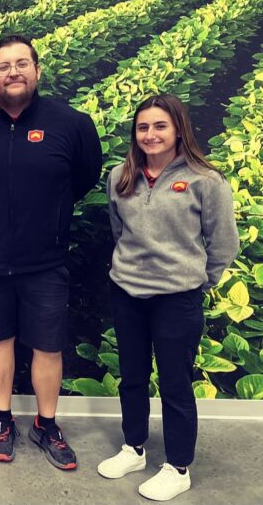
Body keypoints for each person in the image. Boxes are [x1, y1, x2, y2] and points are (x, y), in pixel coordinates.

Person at [0, 34, 101, 470]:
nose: (12, 72)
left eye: (21, 64)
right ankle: (2, 419)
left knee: (48, 347)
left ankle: (46, 423)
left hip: (45, 262)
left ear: (36, 70)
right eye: (3, 66)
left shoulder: (71, 124)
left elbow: (84, 177)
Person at [98, 94, 238, 501]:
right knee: (133, 376)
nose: (150, 134)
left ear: (178, 129)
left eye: (160, 126)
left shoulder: (205, 181)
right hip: (127, 293)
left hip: (177, 300)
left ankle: (178, 467)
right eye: (143, 127)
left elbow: (223, 244)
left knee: (175, 383)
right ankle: (134, 448)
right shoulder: (120, 176)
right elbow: (118, 231)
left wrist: (194, 280)